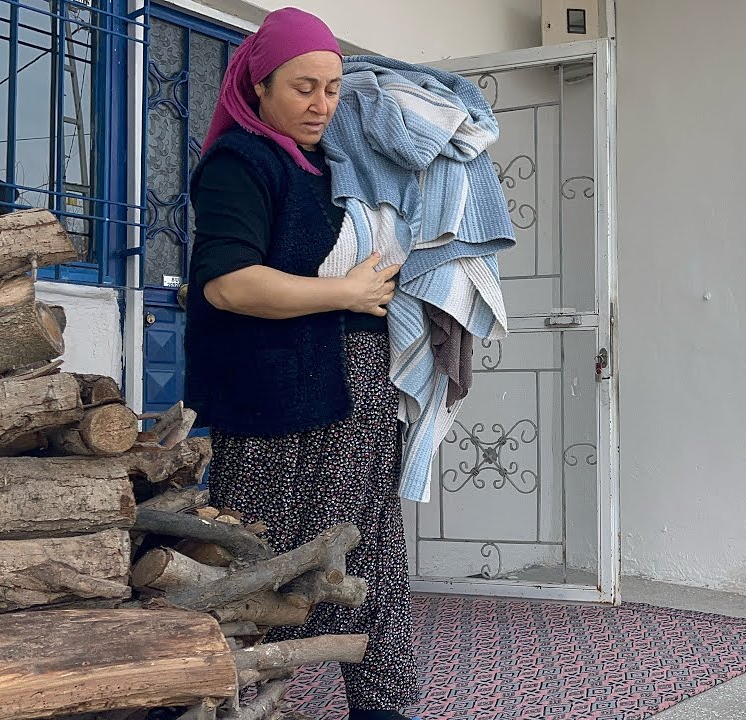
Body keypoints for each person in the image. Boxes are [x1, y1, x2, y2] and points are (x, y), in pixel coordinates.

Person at [184, 8, 419, 719]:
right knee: (254, 559)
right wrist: (346, 292)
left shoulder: (328, 165)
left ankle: (383, 709)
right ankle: (225, 703)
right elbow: (229, 283)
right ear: (259, 87)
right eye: (303, 88)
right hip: (273, 404)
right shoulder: (240, 165)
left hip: (353, 396)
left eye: (332, 88)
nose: (321, 105)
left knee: (370, 558)